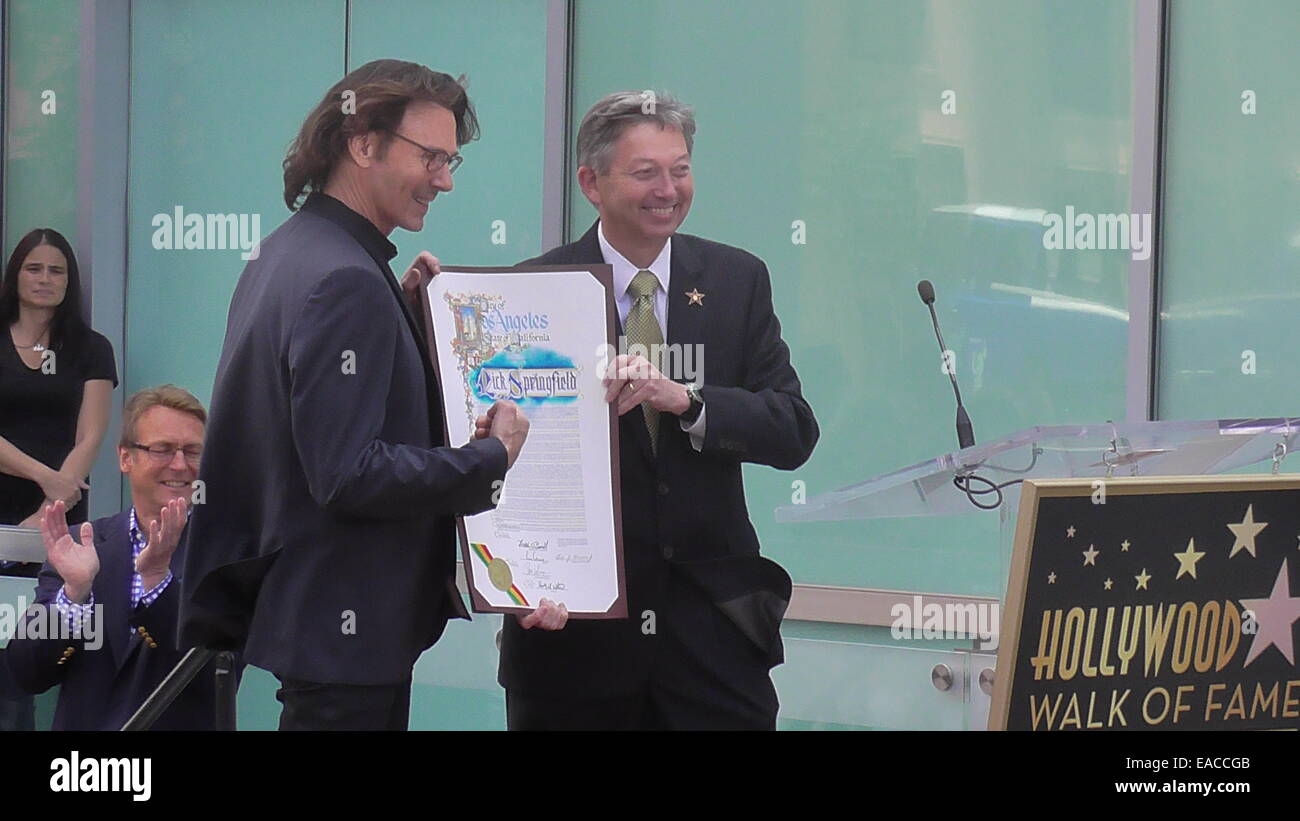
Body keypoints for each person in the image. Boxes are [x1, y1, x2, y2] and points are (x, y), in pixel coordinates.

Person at [180, 59, 560, 732]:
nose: (443, 180)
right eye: (431, 158)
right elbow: (347, 472)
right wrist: (490, 457)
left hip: (317, 624)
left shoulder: (293, 252)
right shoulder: (345, 279)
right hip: (346, 637)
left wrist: (402, 315)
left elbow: (309, 416)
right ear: (362, 142)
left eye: (452, 162)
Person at [499, 91, 820, 730]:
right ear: (591, 182)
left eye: (680, 168)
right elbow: (506, 458)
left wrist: (689, 401)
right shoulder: (533, 292)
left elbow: (792, 430)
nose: (667, 189)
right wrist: (523, 575)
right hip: (573, 641)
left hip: (714, 642)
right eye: (646, 172)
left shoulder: (735, 279)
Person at [2, 385, 212, 730]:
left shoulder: (222, 552)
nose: (180, 465)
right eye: (162, 449)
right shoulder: (81, 545)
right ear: (125, 458)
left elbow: (213, 675)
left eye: (192, 451)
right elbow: (24, 674)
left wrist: (158, 581)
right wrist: (73, 595)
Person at [0, 228, 116, 731]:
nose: (45, 279)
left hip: (59, 527)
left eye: (56, 270)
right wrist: (48, 479)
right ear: (15, 275)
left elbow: (91, 435)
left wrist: (51, 510)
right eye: (34, 268)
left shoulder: (90, 348)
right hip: (19, 505)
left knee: (30, 652)